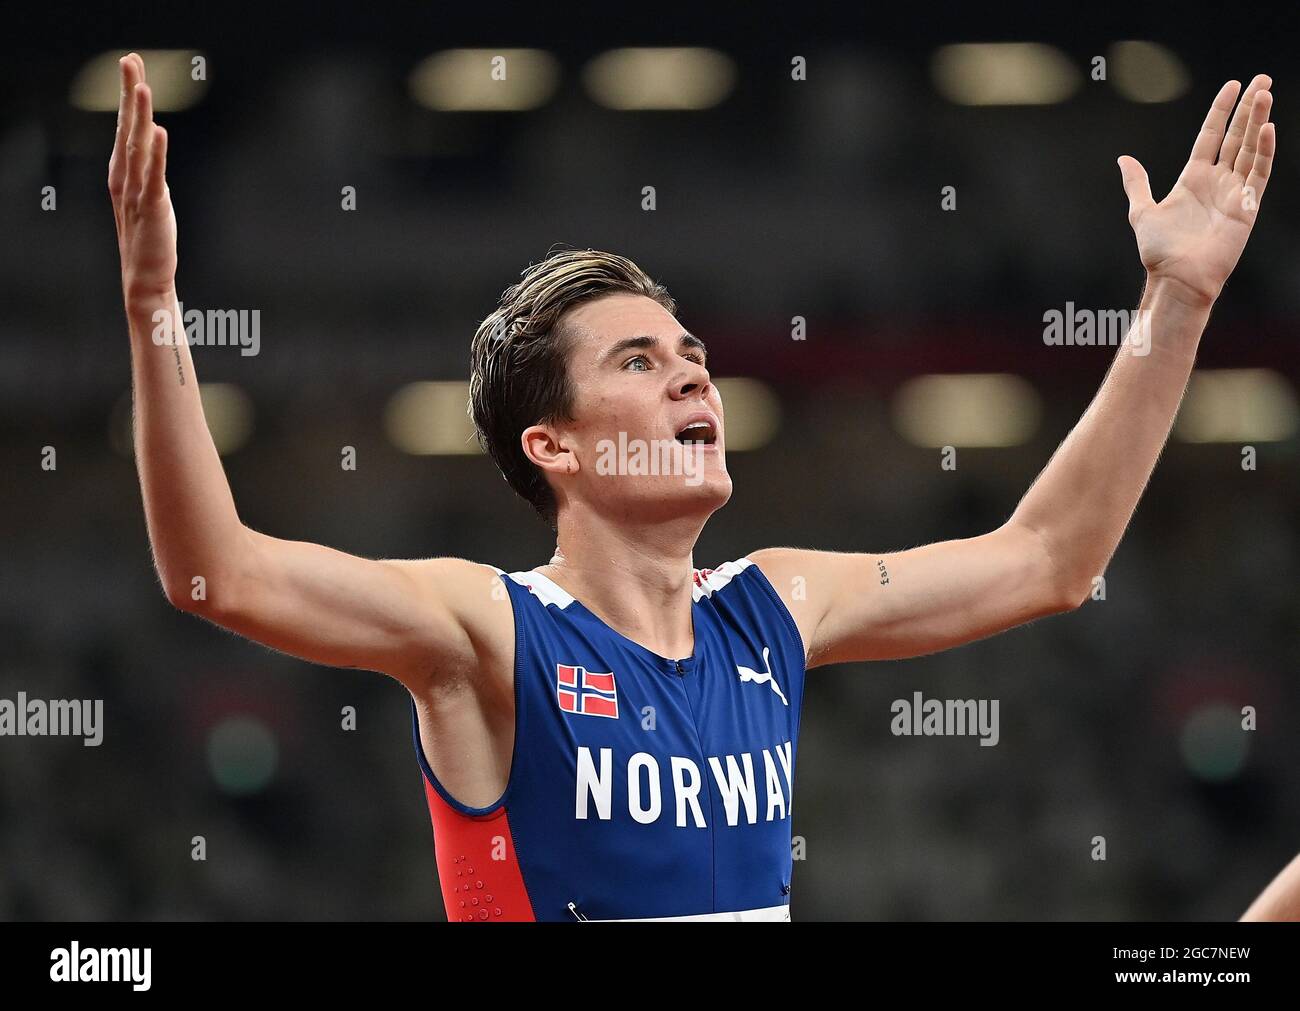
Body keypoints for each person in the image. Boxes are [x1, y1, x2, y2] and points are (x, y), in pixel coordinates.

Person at [109, 51, 1278, 920]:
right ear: (553, 447)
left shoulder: (772, 606)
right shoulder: (487, 632)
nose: (691, 379)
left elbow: (1049, 562)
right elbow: (218, 573)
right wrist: (156, 307)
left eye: (692, 359)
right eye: (638, 362)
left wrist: (1175, 300)